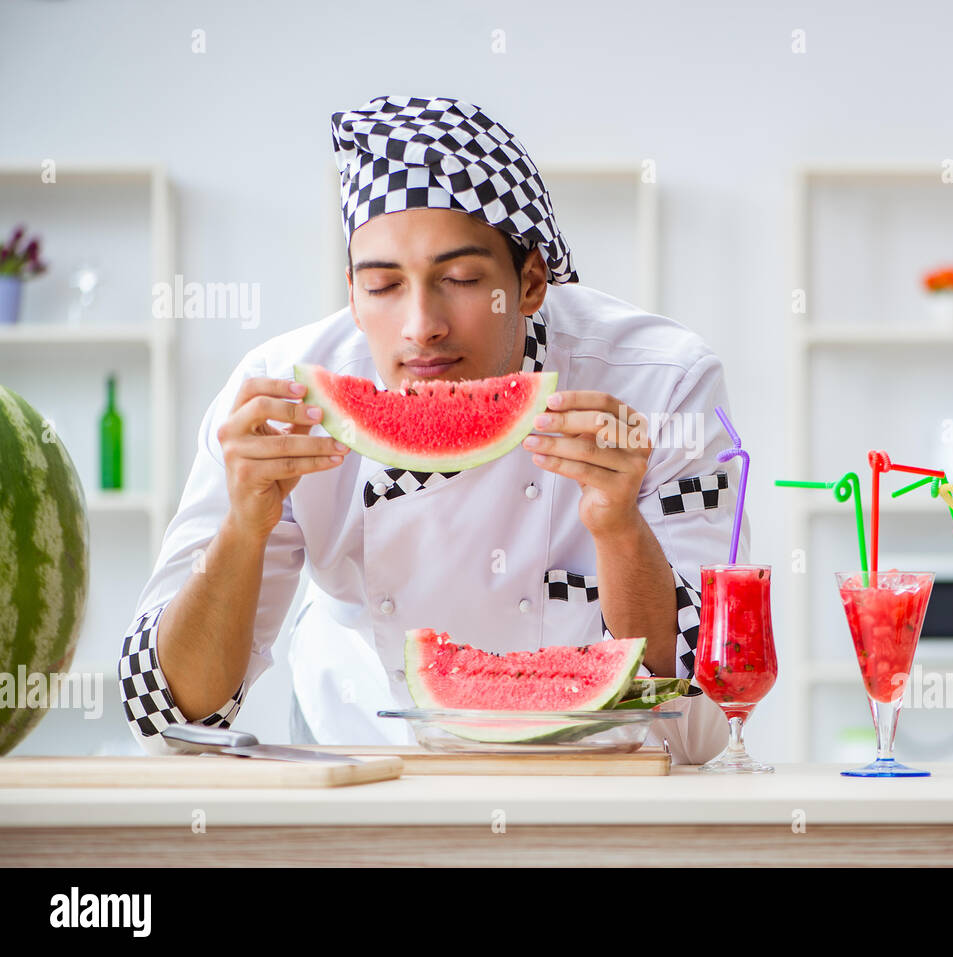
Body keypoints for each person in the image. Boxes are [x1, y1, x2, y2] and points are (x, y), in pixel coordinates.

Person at [118, 95, 744, 763]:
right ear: (352, 293)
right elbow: (165, 721)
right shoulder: (280, 399)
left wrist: (620, 528)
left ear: (531, 281)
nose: (421, 325)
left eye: (461, 277)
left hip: (584, 784)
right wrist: (244, 528)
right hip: (358, 767)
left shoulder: (661, 384)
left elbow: (699, 725)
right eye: (384, 285)